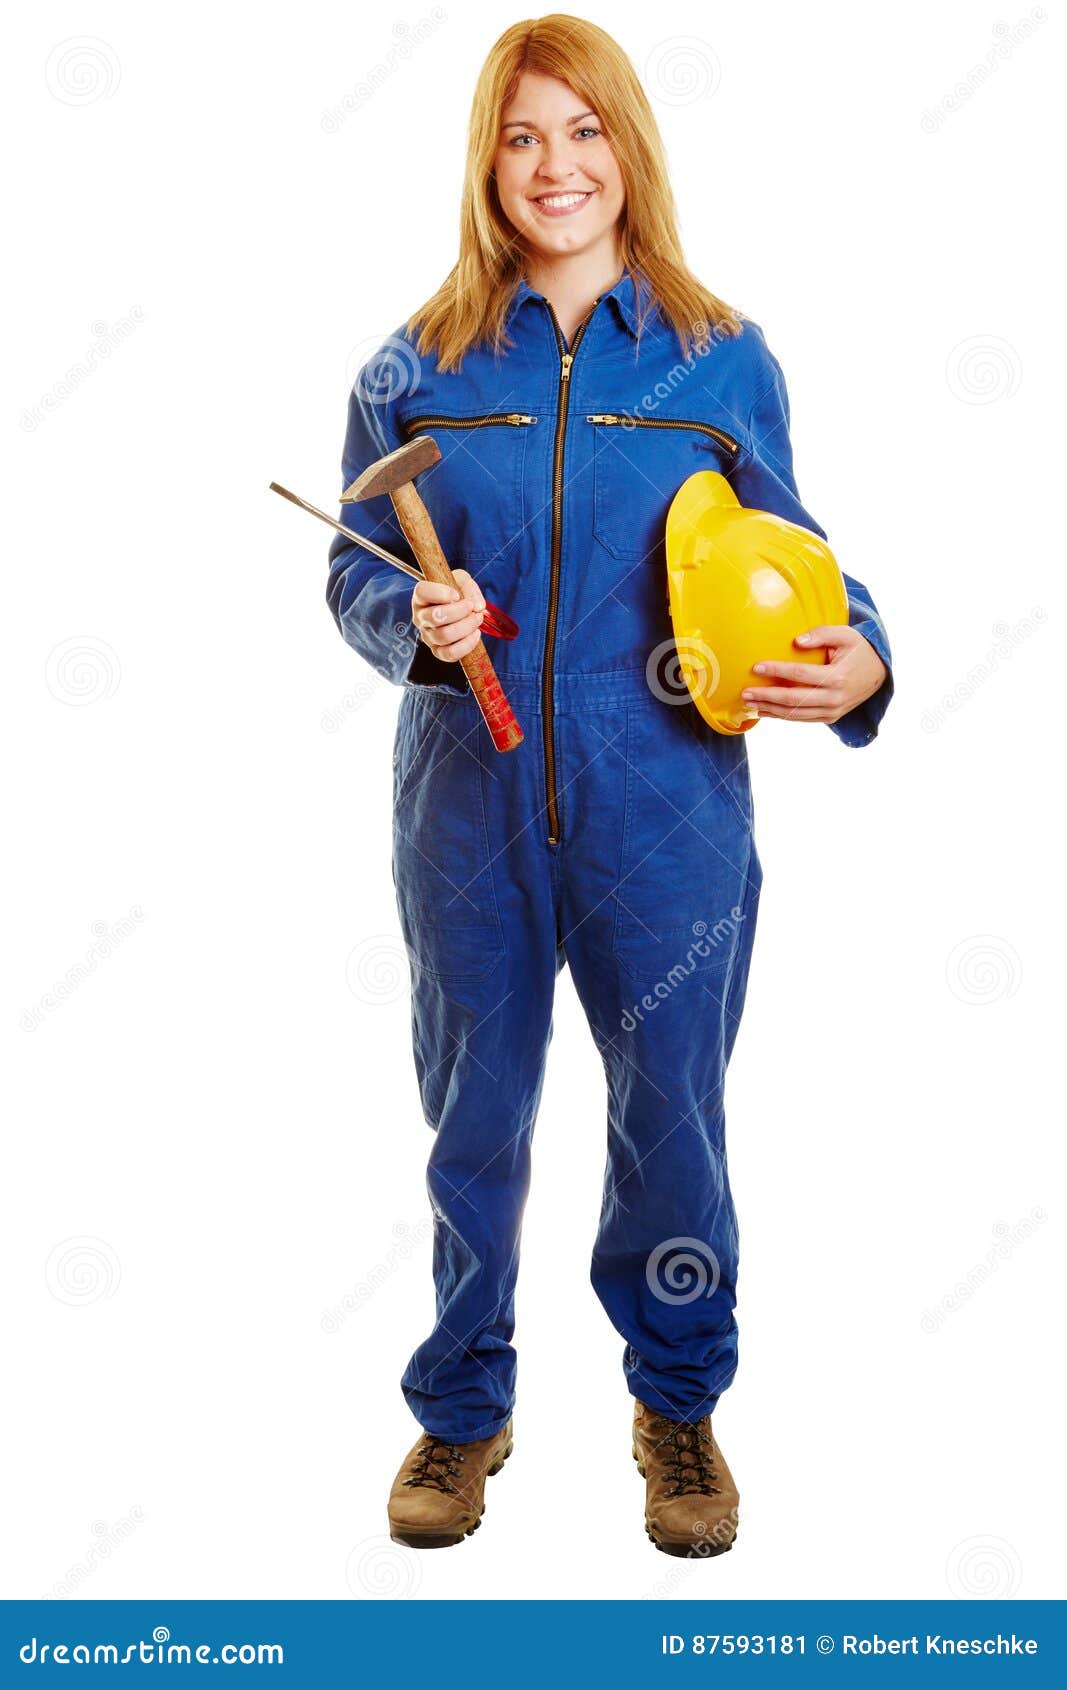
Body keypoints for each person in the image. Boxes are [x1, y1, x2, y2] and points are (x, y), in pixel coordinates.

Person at [326, 14, 893, 1557]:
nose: (554, 166)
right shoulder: (415, 363)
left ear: (629, 144)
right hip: (468, 804)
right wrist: (415, 622)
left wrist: (866, 656)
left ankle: (678, 1402)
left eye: (581, 130)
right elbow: (354, 571)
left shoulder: (722, 356)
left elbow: (795, 554)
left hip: (669, 805)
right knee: (473, 1121)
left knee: (672, 1117)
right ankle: (462, 1403)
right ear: (486, 163)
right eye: (521, 137)